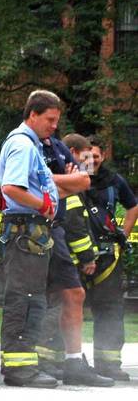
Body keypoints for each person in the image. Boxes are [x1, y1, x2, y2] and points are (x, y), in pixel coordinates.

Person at [0, 90, 89, 388]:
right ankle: (18, 367)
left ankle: (24, 364)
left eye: (56, 121)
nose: (54, 126)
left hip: (33, 233)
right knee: (23, 299)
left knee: (33, 299)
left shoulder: (34, 145)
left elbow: (51, 188)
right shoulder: (23, 146)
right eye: (49, 120)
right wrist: (45, 206)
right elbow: (11, 187)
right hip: (25, 230)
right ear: (33, 114)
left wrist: (50, 196)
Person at [34, 131, 111, 386]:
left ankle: (61, 360)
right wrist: (87, 257)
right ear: (75, 154)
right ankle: (49, 360)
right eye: (86, 158)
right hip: (60, 251)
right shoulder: (70, 180)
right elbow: (76, 226)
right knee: (61, 302)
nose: (89, 166)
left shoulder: (69, 179)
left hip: (55, 248)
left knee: (61, 301)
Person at [72, 136, 133, 382]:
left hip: (108, 257)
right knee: (68, 304)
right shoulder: (72, 178)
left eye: (96, 155)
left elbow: (133, 206)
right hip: (76, 253)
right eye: (88, 155)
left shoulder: (114, 181)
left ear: (103, 156)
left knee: (109, 309)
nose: (92, 159)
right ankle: (66, 360)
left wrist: (123, 236)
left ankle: (108, 364)